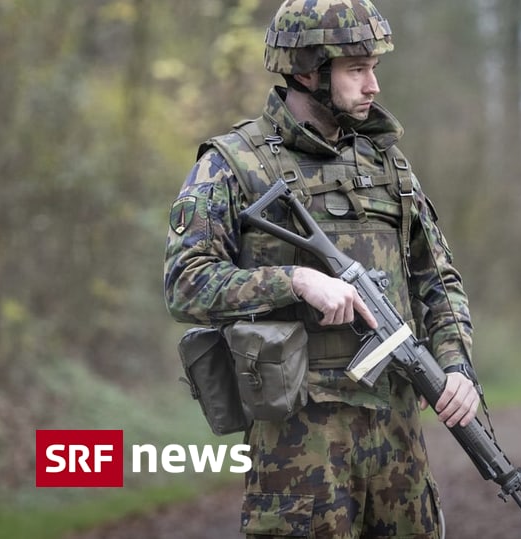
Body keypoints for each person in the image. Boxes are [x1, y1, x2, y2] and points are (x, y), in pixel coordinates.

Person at [163, 1, 481, 537]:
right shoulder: (233, 164)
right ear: (308, 69)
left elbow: (438, 280)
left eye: (373, 68)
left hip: (397, 437)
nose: (373, 85)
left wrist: (456, 366)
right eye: (357, 69)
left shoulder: (387, 165)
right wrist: (295, 281)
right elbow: (184, 282)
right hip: (298, 449)